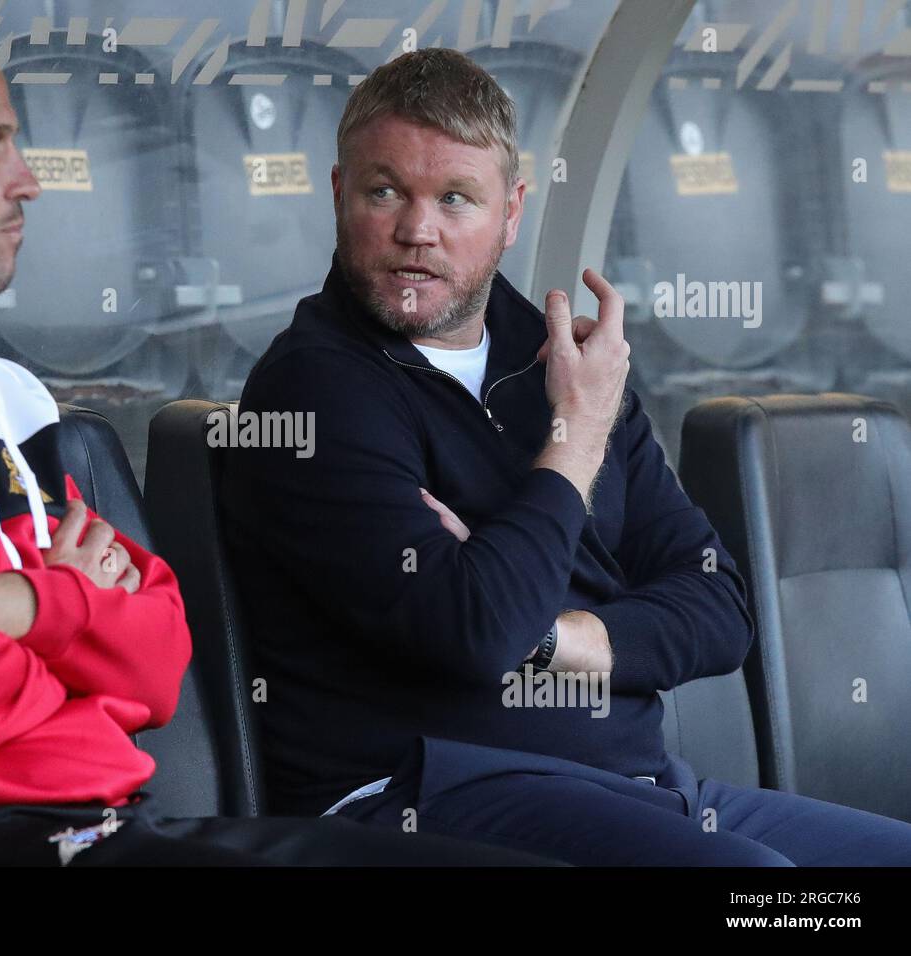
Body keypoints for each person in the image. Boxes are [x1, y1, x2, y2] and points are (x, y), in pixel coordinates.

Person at [0, 21, 546, 868]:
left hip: (105, 824)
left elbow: (159, 665)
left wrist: (5, 604)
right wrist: (62, 599)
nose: (28, 181)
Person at [220, 47, 911, 866]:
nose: (417, 229)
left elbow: (721, 607)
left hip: (638, 784)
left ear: (511, 213)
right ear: (339, 194)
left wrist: (547, 637)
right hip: (417, 795)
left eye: (455, 198)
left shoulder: (557, 359)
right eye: (385, 191)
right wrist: (575, 439)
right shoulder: (314, 386)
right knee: (755, 894)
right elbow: (474, 634)